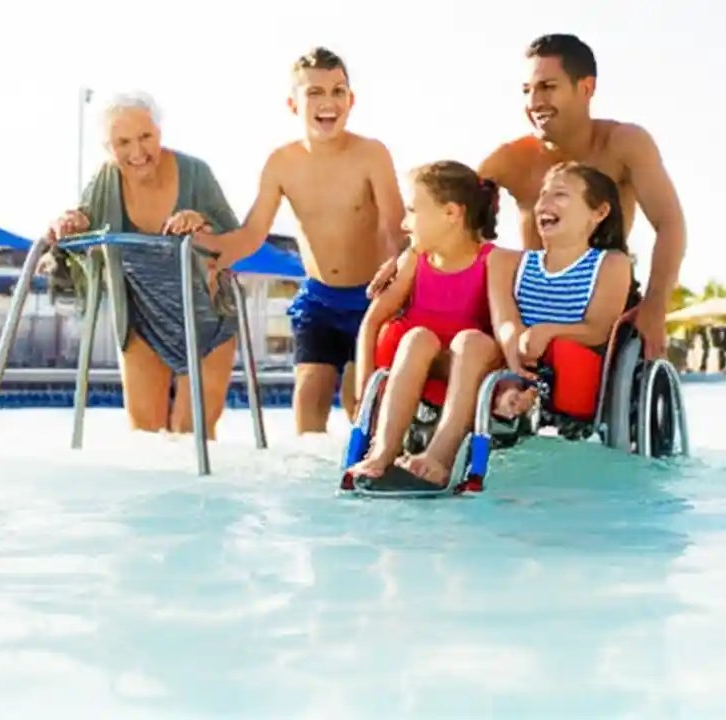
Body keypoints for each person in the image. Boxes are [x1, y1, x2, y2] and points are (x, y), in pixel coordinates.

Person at [369, 33, 684, 360]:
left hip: (600, 298)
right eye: (526, 90)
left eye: (547, 87)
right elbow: (447, 212)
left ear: (586, 88)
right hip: (526, 300)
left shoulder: (624, 144)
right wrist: (405, 256)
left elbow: (670, 223)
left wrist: (655, 306)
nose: (534, 102)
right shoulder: (510, 160)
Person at [194, 47, 407, 434]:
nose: (328, 102)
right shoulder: (281, 163)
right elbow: (252, 233)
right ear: (293, 104)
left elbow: (395, 228)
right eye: (315, 93)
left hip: (372, 298)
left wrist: (397, 286)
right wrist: (209, 254)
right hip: (319, 299)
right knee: (309, 397)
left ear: (351, 100)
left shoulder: (371, 154)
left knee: (359, 403)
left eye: (337, 91)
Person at [39, 91, 240, 438]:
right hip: (141, 317)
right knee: (147, 437)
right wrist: (71, 222)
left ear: (159, 132)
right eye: (123, 142)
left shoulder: (196, 174)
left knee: (192, 432)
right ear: (108, 147)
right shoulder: (105, 181)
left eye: (145, 137)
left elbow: (235, 240)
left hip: (206, 314)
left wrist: (201, 222)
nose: (137, 152)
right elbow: (82, 221)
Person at [345, 160, 504, 484]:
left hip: (473, 362)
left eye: (413, 211)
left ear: (451, 213)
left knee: (469, 342)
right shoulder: (413, 261)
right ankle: (382, 452)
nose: (405, 224)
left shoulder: (495, 260)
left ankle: (439, 456)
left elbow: (506, 324)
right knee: (418, 336)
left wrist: (516, 381)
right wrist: (364, 393)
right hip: (424, 359)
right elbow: (372, 321)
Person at [487, 161, 634, 417]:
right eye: (543, 195)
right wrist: (515, 369)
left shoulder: (611, 264)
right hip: (514, 358)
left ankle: (531, 398)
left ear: (599, 213)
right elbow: (505, 321)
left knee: (560, 353)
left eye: (560, 195)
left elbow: (598, 330)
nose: (544, 204)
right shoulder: (505, 262)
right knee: (472, 344)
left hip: (569, 368)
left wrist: (548, 332)